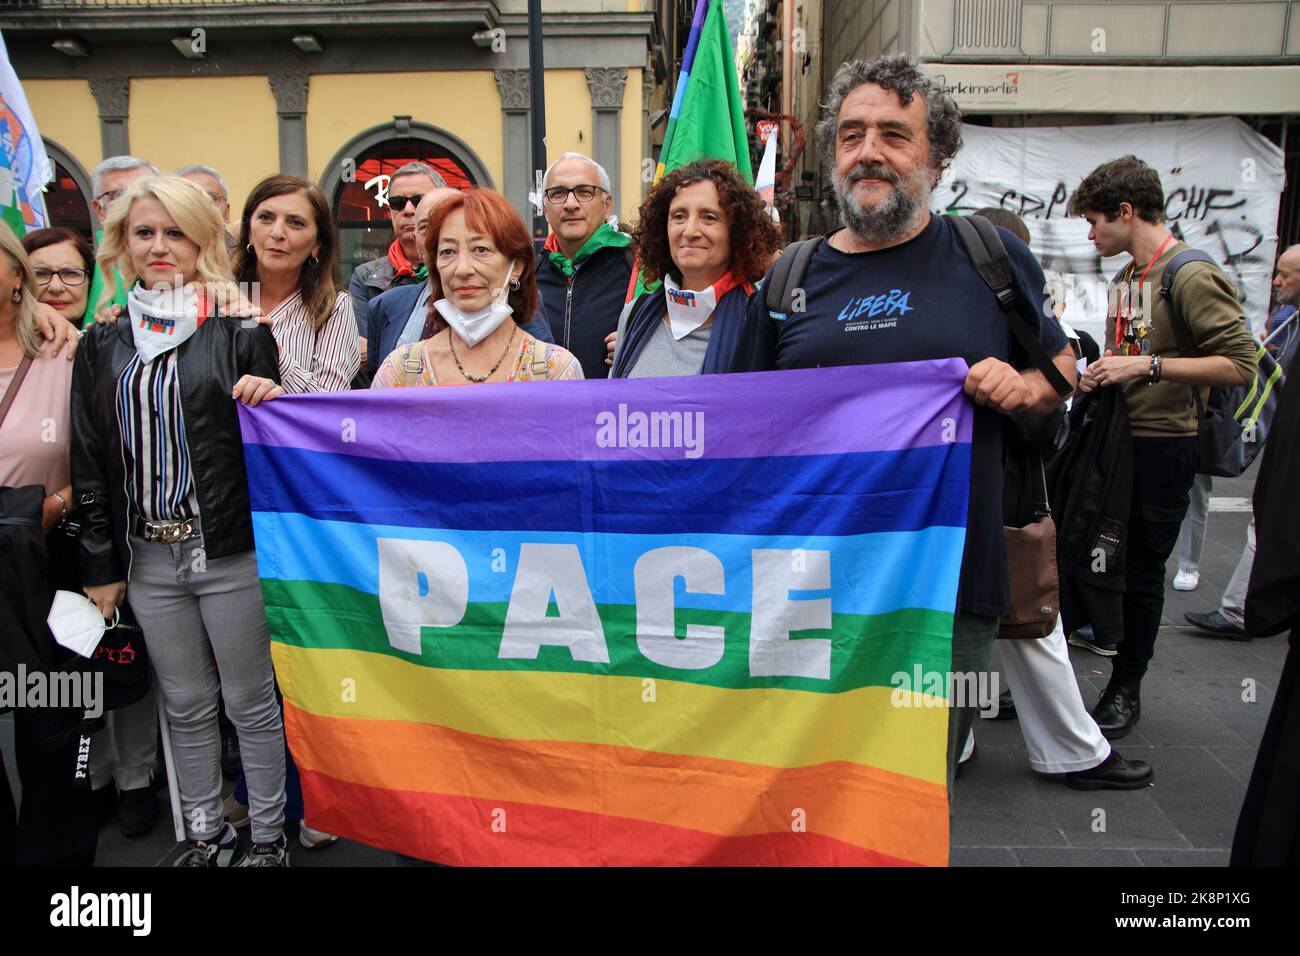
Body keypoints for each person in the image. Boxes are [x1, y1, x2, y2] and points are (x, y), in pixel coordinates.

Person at [729, 54, 1077, 796]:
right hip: (809, 588)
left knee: (912, 789)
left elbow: (1063, 371)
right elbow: (742, 425)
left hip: (946, 591)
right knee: (801, 784)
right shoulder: (791, 276)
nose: (869, 152)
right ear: (833, 156)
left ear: (937, 156)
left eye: (894, 134)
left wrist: (1020, 385)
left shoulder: (988, 256)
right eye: (852, 135)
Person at [71, 175, 290, 866]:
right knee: (185, 705)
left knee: (249, 705)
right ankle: (205, 834)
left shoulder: (240, 322)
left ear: (201, 241)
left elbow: (272, 435)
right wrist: (101, 564)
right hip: (147, 559)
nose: (160, 246)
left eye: (176, 232)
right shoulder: (101, 341)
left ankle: (269, 836)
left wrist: (271, 396)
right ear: (122, 242)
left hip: (228, 551)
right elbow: (88, 458)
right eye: (145, 232)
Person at [956, 209, 1152, 789]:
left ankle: (979, 741)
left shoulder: (1000, 312)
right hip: (1003, 488)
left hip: (986, 487)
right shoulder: (1010, 311)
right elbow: (1045, 426)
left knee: (1011, 618)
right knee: (1029, 618)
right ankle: (1071, 749)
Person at [1069, 156, 1258, 739]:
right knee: (1090, 553)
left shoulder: (1189, 274)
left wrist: (1146, 366)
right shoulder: (1130, 277)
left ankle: (1127, 686)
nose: (1090, 232)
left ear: (1127, 212)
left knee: (1146, 567)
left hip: (1164, 446)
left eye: (1096, 220)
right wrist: (1102, 369)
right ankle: (1070, 678)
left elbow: (1241, 363)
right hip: (1115, 439)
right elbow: (1128, 353)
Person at [22, 227, 162, 836]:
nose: (56, 287)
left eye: (69, 274)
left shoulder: (104, 344)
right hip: (32, 546)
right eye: (41, 275)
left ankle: (135, 779)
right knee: (58, 676)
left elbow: (110, 448)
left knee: (121, 658)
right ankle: (92, 778)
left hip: (100, 529)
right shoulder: (19, 350)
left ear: (90, 279)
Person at [0, 222, 98, 865]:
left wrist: (50, 506)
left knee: (52, 727)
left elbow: (99, 461)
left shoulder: (69, 354)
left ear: (16, 277)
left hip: (46, 564)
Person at [1185, 243, 1300, 641]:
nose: (1277, 280)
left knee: (1266, 519)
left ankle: (1239, 610)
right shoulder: (1289, 318)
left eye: (1287, 274)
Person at [371, 188, 582, 388]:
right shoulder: (400, 370)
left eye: (480, 249)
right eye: (447, 252)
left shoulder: (555, 371)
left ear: (516, 266)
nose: (462, 269)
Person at [610, 159, 779, 379]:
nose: (690, 231)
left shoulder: (758, 323)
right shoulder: (633, 315)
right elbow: (613, 408)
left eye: (709, 217)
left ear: (736, 231)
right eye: (679, 216)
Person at [234, 174, 360, 393]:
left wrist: (271, 349)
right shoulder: (223, 295)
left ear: (317, 244)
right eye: (266, 218)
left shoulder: (332, 307)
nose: (277, 233)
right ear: (249, 233)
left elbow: (328, 404)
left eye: (296, 223)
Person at [535, 152, 633, 379]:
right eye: (558, 193)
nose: (571, 204)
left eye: (584, 192)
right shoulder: (524, 278)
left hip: (613, 412)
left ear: (607, 204)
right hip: (545, 411)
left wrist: (639, 344)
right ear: (546, 209)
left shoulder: (640, 271)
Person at [348, 162, 448, 340]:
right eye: (397, 203)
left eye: (419, 201)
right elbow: (363, 355)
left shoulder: (457, 270)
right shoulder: (365, 277)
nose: (408, 210)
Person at [83, 155, 160, 328]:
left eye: (146, 191)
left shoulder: (189, 263)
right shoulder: (79, 266)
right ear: (99, 210)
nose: (133, 201)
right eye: (118, 195)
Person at [177, 164, 240, 253]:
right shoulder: (160, 250)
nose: (201, 207)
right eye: (189, 198)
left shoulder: (245, 259)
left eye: (211, 198)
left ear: (227, 213)